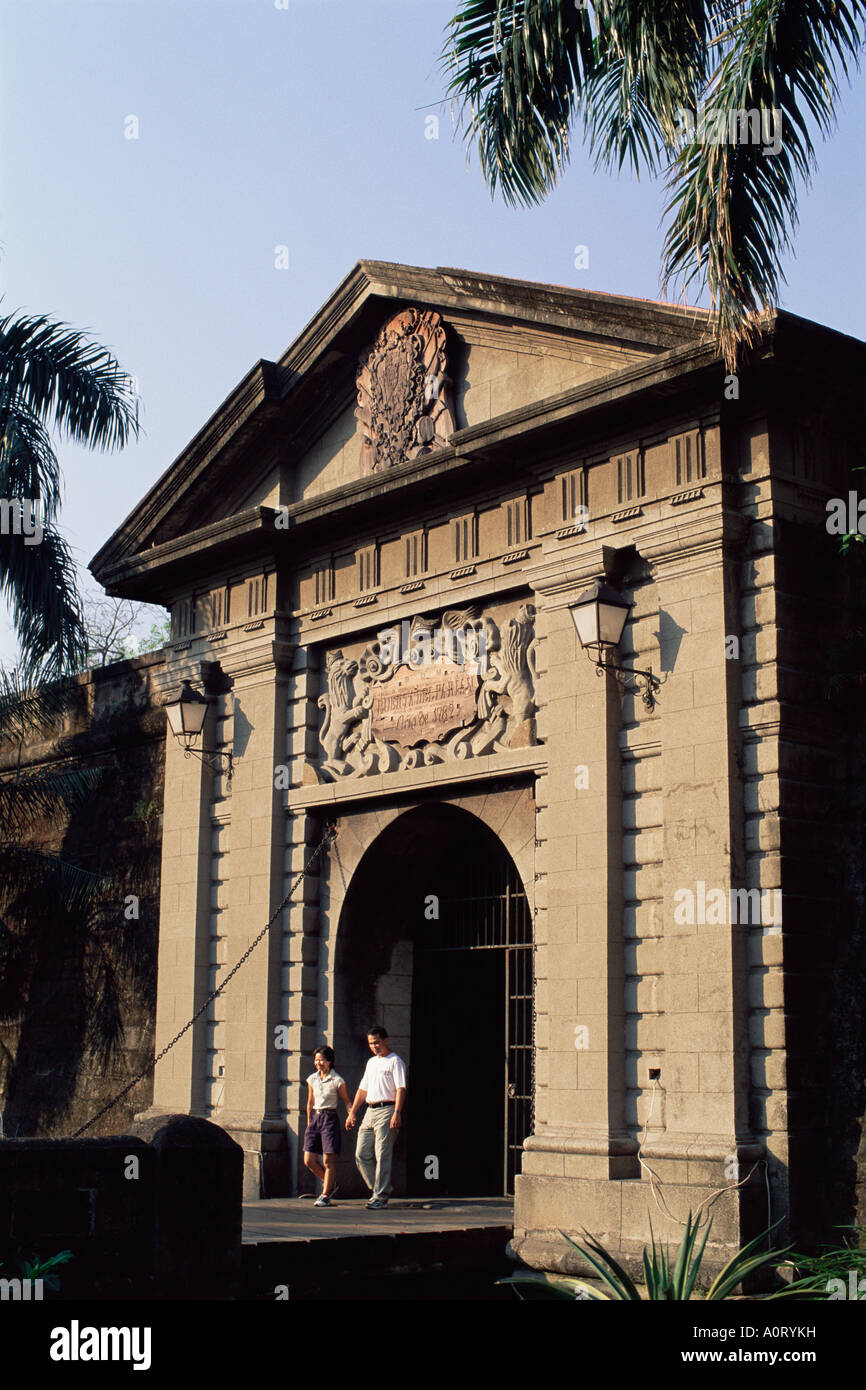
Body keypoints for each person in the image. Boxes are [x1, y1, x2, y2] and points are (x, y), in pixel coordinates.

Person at [345, 1025, 407, 1209]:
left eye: (377, 1042)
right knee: (361, 1154)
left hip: (387, 1109)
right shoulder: (371, 1062)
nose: (374, 1046)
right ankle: (380, 1189)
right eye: (371, 1043)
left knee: (382, 1153)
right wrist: (353, 1112)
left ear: (386, 1040)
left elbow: (401, 1089)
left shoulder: (395, 1061)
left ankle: (380, 1196)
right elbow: (362, 1089)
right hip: (369, 1110)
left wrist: (397, 1112)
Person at [302, 1045, 351, 1207]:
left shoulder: (338, 1080)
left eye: (322, 1060)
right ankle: (329, 1183)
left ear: (329, 1061)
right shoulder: (312, 1079)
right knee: (309, 1160)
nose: (319, 1063)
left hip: (329, 1118)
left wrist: (351, 1115)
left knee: (327, 1159)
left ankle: (325, 1194)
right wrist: (309, 1122)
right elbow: (310, 1102)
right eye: (316, 1060)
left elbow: (346, 1101)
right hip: (315, 1118)